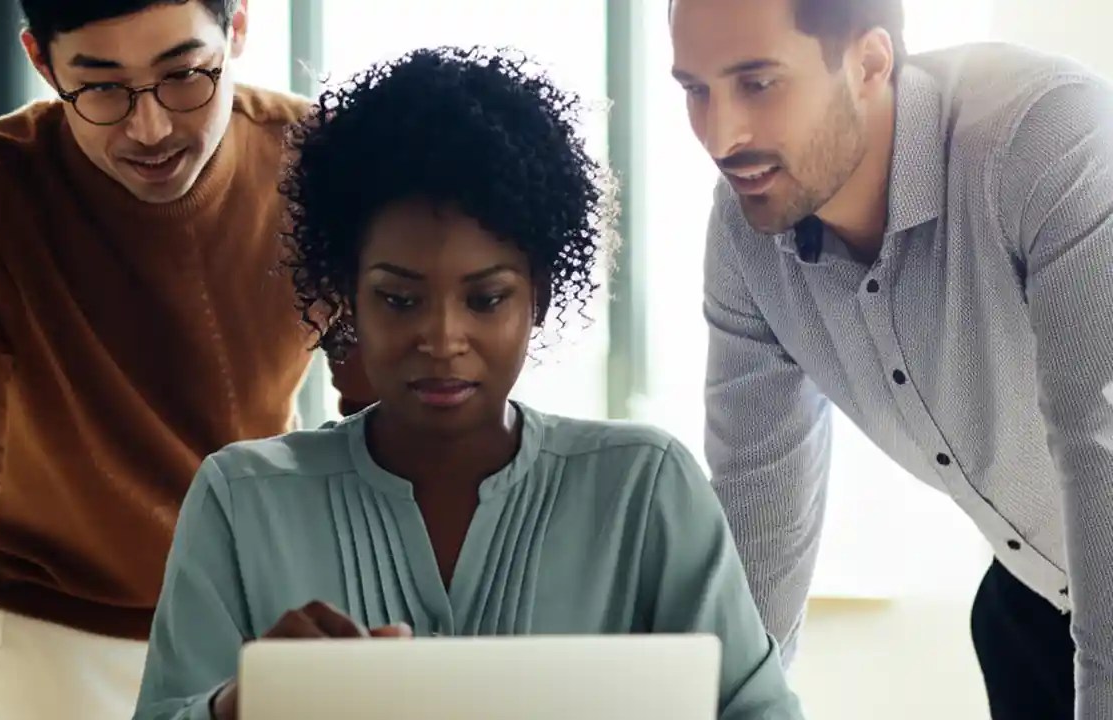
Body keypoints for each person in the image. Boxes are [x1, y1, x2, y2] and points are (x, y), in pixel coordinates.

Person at [132, 46, 805, 720]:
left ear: (537, 297)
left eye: (485, 300)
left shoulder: (644, 488)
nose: (443, 339)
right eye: (400, 300)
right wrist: (238, 707)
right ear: (346, 294)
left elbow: (760, 711)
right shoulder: (242, 503)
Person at [0, 1, 373, 718]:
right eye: (103, 86)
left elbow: (378, 424)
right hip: (52, 641)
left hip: (267, 620)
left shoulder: (320, 169)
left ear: (236, 30)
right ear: (42, 62)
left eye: (184, 74)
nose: (151, 128)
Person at [667, 0, 1113, 717]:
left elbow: (1105, 450)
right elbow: (760, 515)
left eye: (757, 83)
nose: (722, 136)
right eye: (695, 90)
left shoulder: (1045, 138)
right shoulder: (747, 234)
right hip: (1033, 605)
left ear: (870, 63)